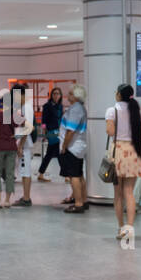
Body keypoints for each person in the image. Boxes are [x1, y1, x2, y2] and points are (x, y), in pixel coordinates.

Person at [105, 84, 141, 238]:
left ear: (119, 95)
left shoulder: (112, 110)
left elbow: (110, 131)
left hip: (118, 153)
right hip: (133, 152)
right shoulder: (136, 110)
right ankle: (129, 228)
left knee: (118, 194)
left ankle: (121, 227)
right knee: (129, 192)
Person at [60, 84, 89, 213]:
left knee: (74, 176)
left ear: (76, 96)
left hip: (73, 147)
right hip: (78, 146)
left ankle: (78, 203)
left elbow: (70, 131)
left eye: (71, 93)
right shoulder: (79, 108)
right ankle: (84, 200)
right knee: (79, 175)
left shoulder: (75, 109)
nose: (68, 95)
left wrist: (64, 146)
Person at [0, 91, 18, 209]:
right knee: (10, 174)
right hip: (11, 147)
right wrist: (16, 136)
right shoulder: (15, 115)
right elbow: (26, 127)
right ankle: (7, 200)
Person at [12, 83, 35, 206]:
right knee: (23, 171)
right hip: (21, 142)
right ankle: (25, 197)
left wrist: (20, 146)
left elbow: (28, 128)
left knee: (26, 171)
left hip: (24, 144)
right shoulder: (21, 106)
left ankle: (26, 198)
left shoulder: (27, 107)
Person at [36, 86, 64, 182]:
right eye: (54, 93)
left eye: (58, 94)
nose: (56, 95)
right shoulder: (47, 106)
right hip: (51, 132)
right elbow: (43, 121)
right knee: (58, 152)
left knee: (50, 153)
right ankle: (67, 174)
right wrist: (44, 132)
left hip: (59, 132)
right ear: (51, 95)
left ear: (60, 95)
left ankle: (41, 173)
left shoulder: (60, 106)